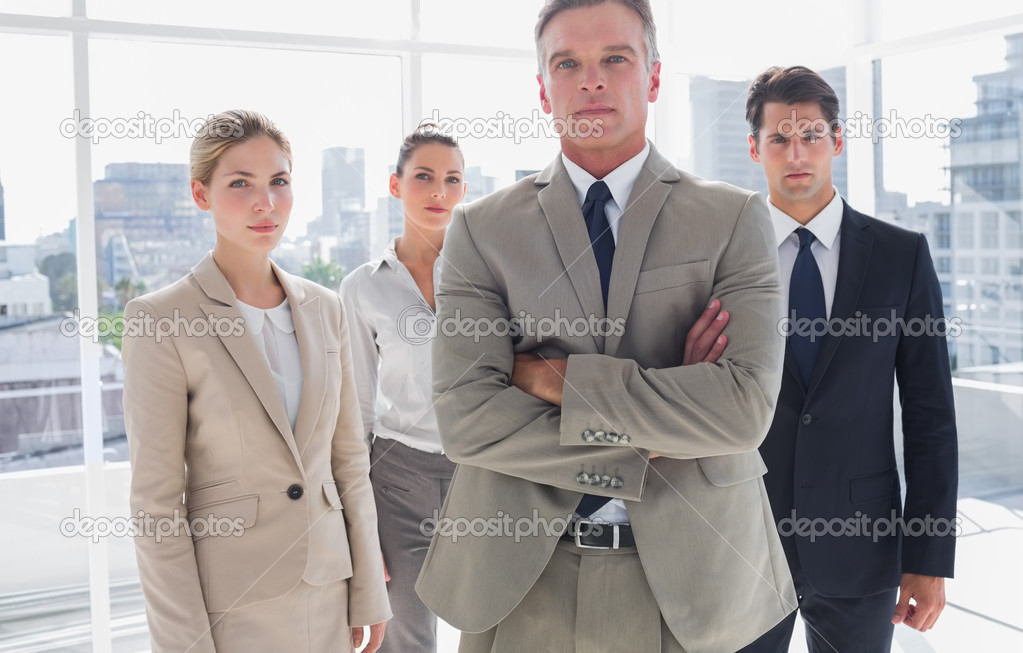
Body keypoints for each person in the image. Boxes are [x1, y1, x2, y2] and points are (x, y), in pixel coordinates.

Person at [414, 1, 798, 651]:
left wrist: (559, 381)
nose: (590, 80)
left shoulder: (733, 218)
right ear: (544, 90)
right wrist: (667, 420)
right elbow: (467, 418)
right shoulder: (481, 229)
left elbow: (741, 411)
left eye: (614, 58)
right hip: (520, 580)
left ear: (652, 77)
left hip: (698, 582)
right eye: (567, 63)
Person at [122, 109, 391, 653]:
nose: (265, 202)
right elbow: (156, 505)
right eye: (240, 184)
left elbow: (348, 462)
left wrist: (369, 593)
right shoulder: (161, 318)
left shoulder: (326, 308)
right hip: (232, 607)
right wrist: (184, 644)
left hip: (328, 593)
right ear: (201, 194)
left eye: (279, 181)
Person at [738, 66, 958, 652]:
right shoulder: (722, 257)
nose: (796, 153)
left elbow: (931, 416)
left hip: (863, 544)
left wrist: (928, 556)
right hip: (741, 540)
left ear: (837, 141)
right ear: (755, 148)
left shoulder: (901, 255)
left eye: (811, 135)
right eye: (779, 138)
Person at [339, 125, 466, 653]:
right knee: (405, 635)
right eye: (424, 177)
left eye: (452, 179)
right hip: (398, 478)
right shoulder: (363, 286)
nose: (439, 191)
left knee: (499, 625)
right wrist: (359, 526)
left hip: (481, 470)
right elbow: (355, 409)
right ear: (396, 185)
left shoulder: (488, 276)